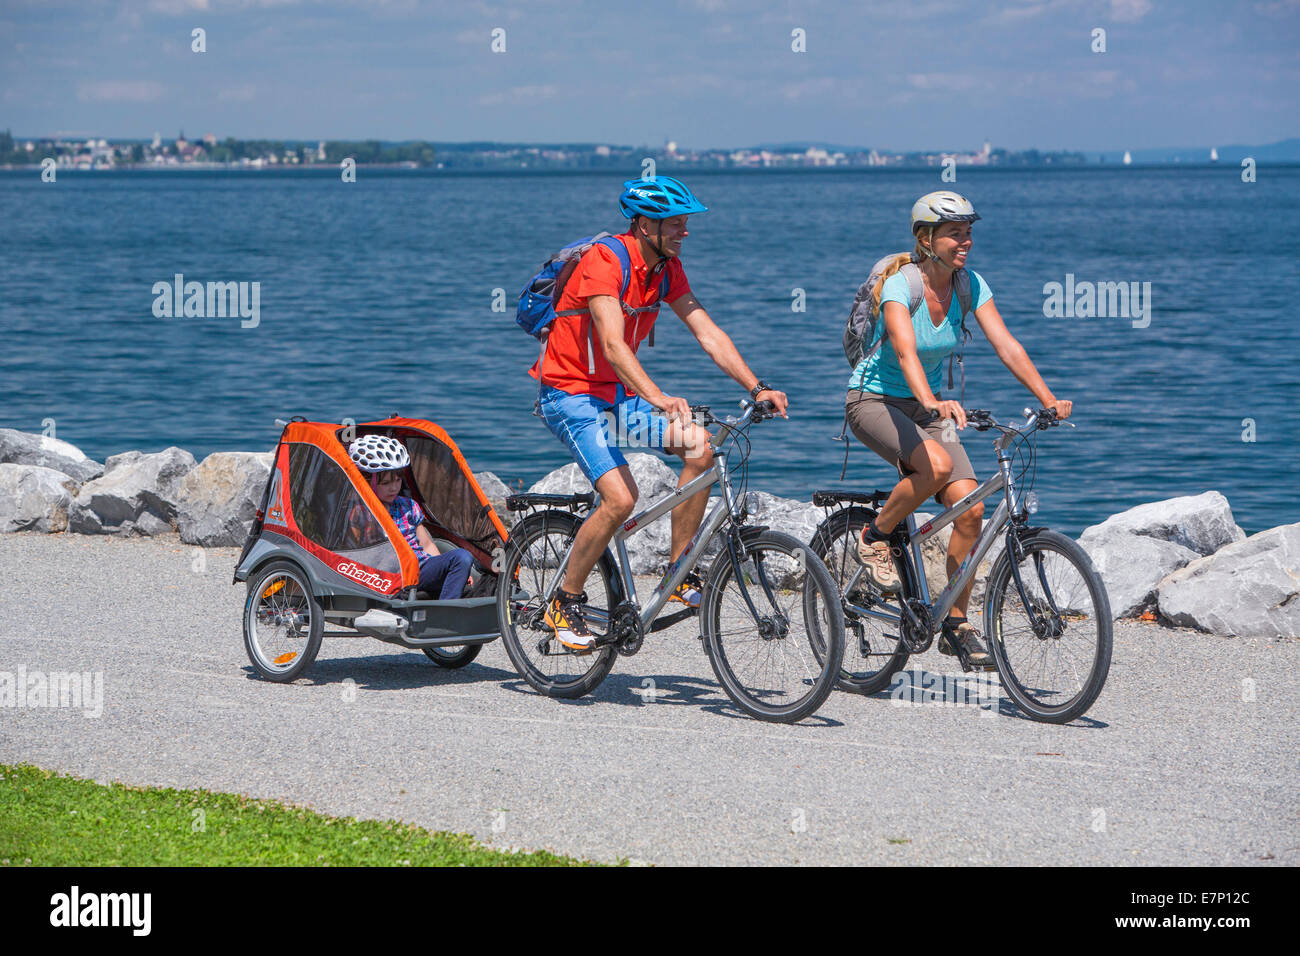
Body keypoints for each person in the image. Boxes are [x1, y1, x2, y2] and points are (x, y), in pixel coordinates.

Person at [530, 175, 788, 651]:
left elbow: (705, 330)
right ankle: (562, 601)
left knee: (700, 448)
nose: (683, 232)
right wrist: (658, 397)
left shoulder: (667, 269)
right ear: (645, 225)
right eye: (675, 224)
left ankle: (679, 572)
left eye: (685, 223)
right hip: (569, 394)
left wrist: (757, 386)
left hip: (616, 396)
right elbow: (611, 342)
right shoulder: (605, 260)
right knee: (620, 499)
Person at [845, 190, 1072, 669]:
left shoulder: (969, 286)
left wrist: (1047, 399)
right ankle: (875, 537)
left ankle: (955, 621)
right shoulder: (899, 286)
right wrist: (931, 401)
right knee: (937, 464)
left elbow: (1006, 344)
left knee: (970, 508)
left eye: (969, 232)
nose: (965, 241)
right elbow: (905, 351)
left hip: (927, 405)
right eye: (955, 233)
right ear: (926, 239)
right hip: (874, 401)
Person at [347, 435, 473, 600]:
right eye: (385, 483)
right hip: (388, 575)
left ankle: (447, 611)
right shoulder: (360, 512)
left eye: (398, 480)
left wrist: (452, 569)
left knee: (462, 557)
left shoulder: (409, 506)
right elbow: (355, 551)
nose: (394, 488)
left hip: (420, 570)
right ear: (366, 482)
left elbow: (426, 544)